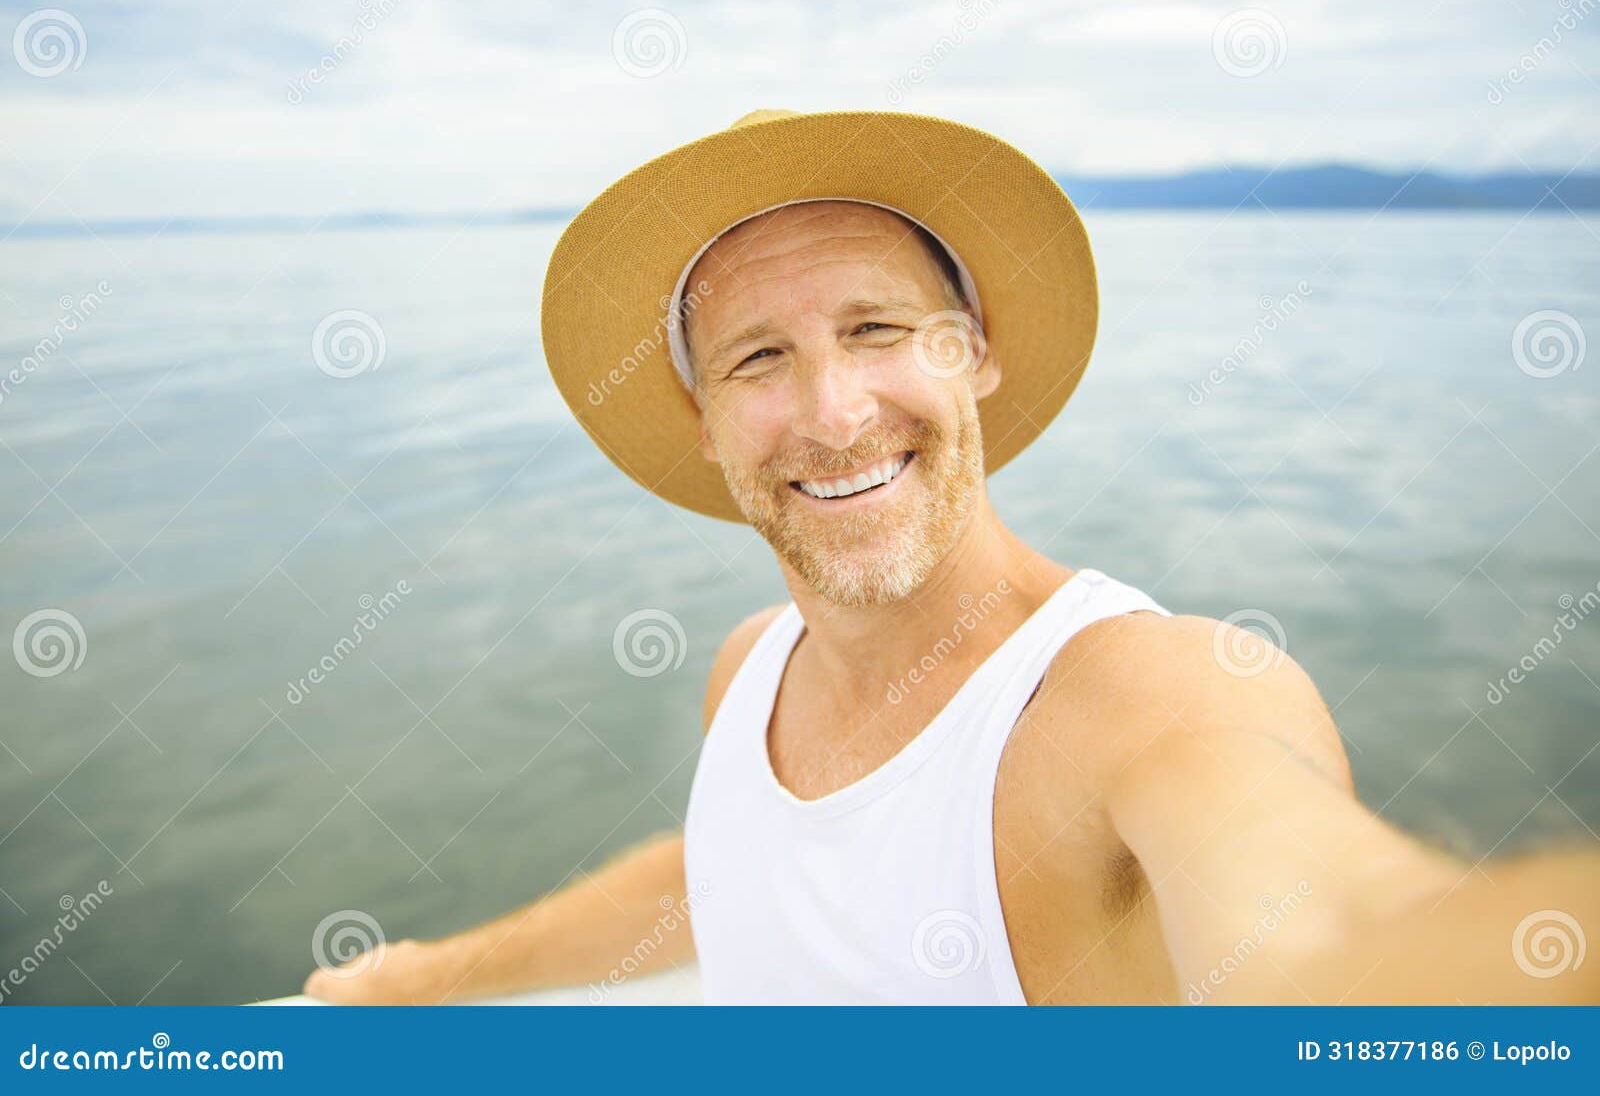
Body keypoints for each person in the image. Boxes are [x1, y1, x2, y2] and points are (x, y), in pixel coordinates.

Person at [306, 110, 1597, 1005]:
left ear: (973, 351)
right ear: (703, 425)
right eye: (759, 357)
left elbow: (1330, 943)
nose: (832, 412)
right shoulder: (751, 673)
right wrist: (419, 978)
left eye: (878, 328)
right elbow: (733, 875)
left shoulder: (1148, 700)